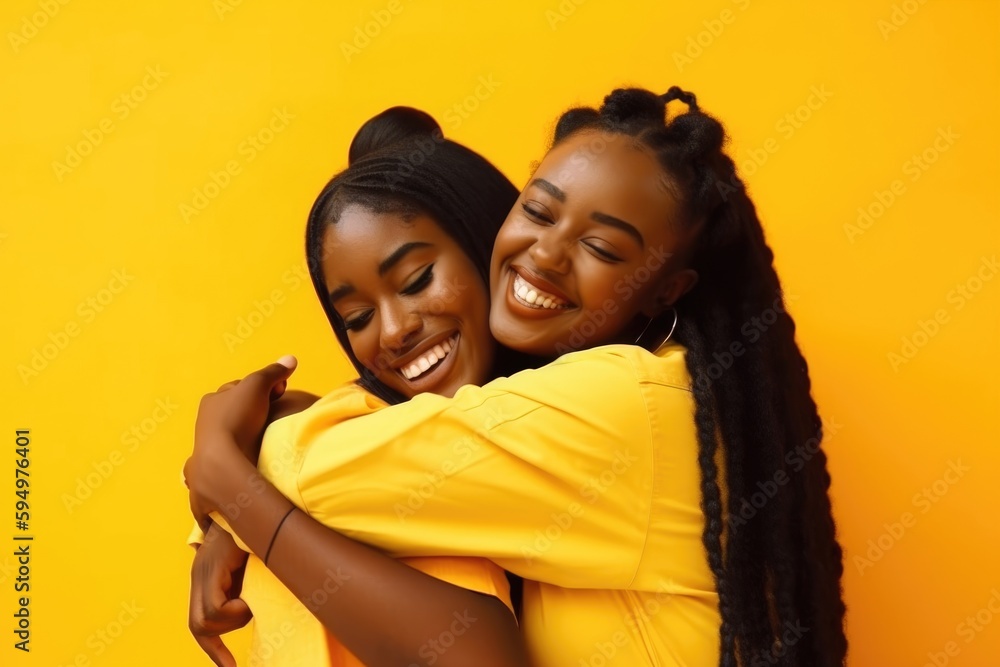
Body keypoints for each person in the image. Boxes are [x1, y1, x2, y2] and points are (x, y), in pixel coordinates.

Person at [187, 86, 848, 666]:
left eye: (601, 246)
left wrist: (222, 469)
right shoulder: (507, 457)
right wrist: (238, 502)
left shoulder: (623, 399)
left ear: (665, 289)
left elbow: (311, 470)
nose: (545, 256)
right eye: (537, 211)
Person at [188, 106, 537, 666]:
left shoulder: (592, 401)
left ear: (486, 243)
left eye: (417, 280)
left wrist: (229, 489)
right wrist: (228, 515)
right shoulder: (366, 433)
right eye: (356, 319)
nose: (394, 331)